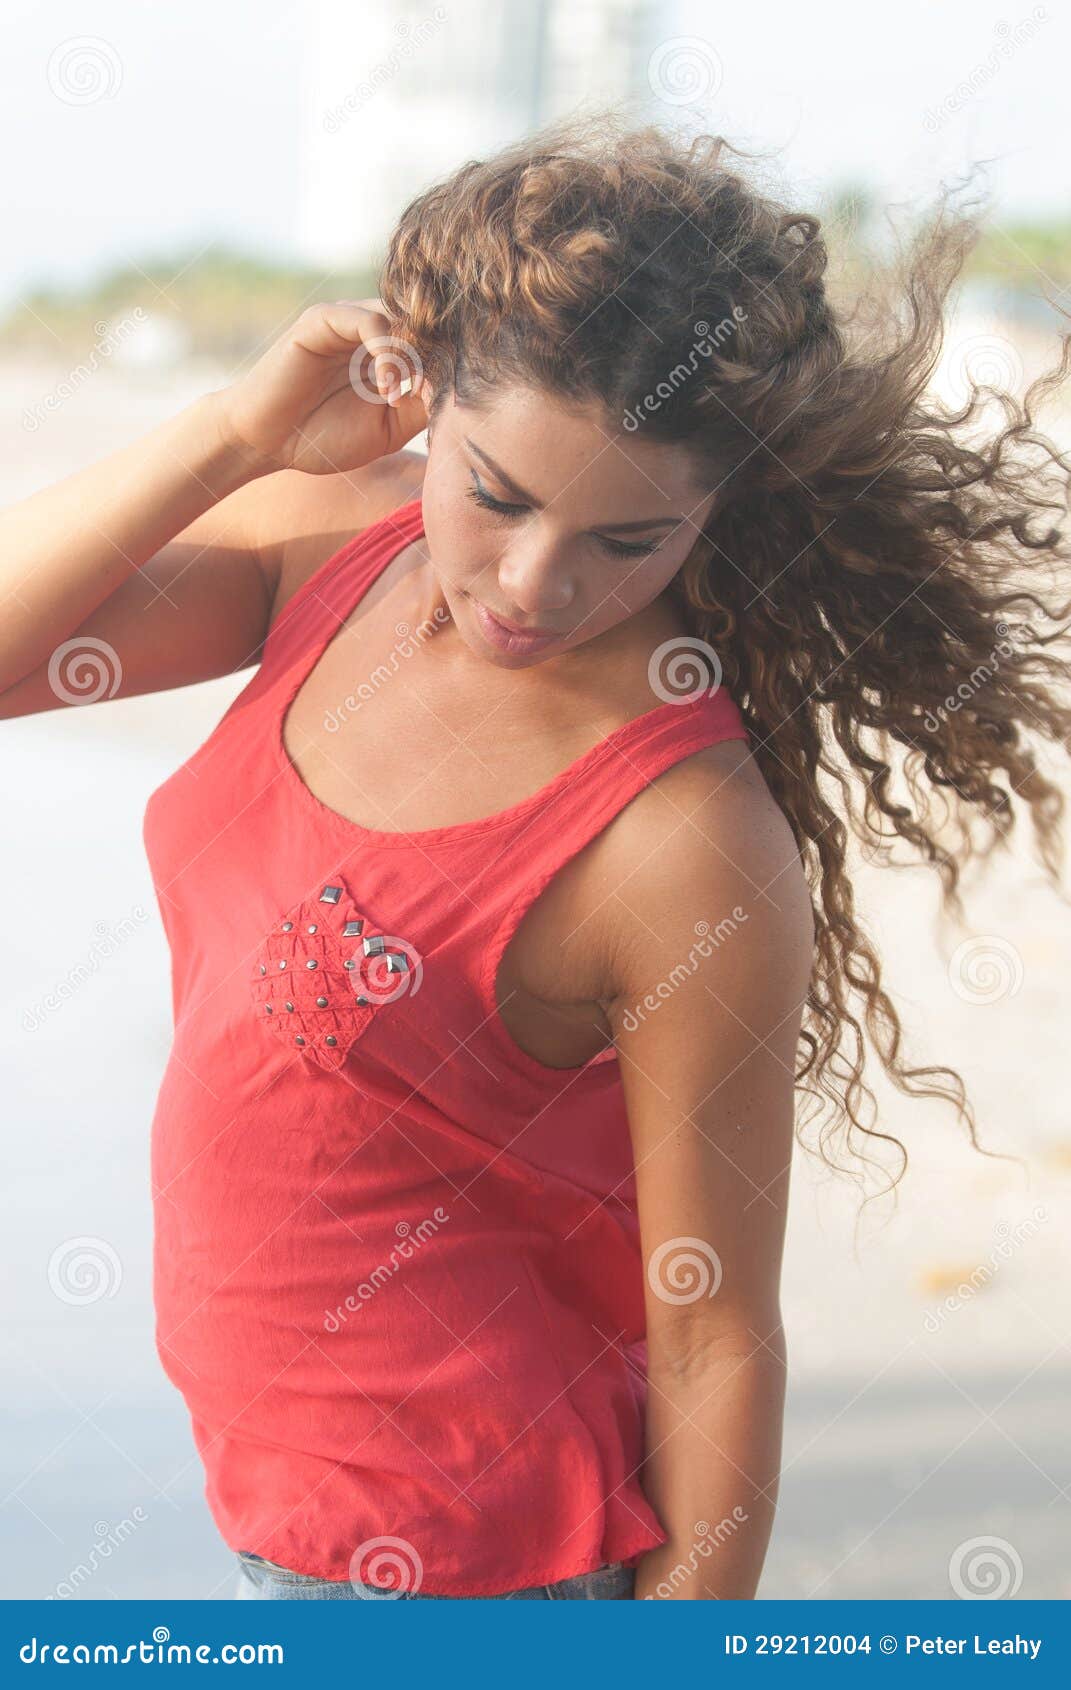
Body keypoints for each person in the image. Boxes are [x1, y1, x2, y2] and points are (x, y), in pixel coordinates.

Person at [2, 110, 1069, 1602]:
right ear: (424, 393)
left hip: (471, 1576)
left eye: (629, 539)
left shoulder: (681, 839)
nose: (533, 581)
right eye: (496, 494)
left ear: (714, 511)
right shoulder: (338, 547)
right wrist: (238, 434)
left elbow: (715, 1328)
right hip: (269, 1505)